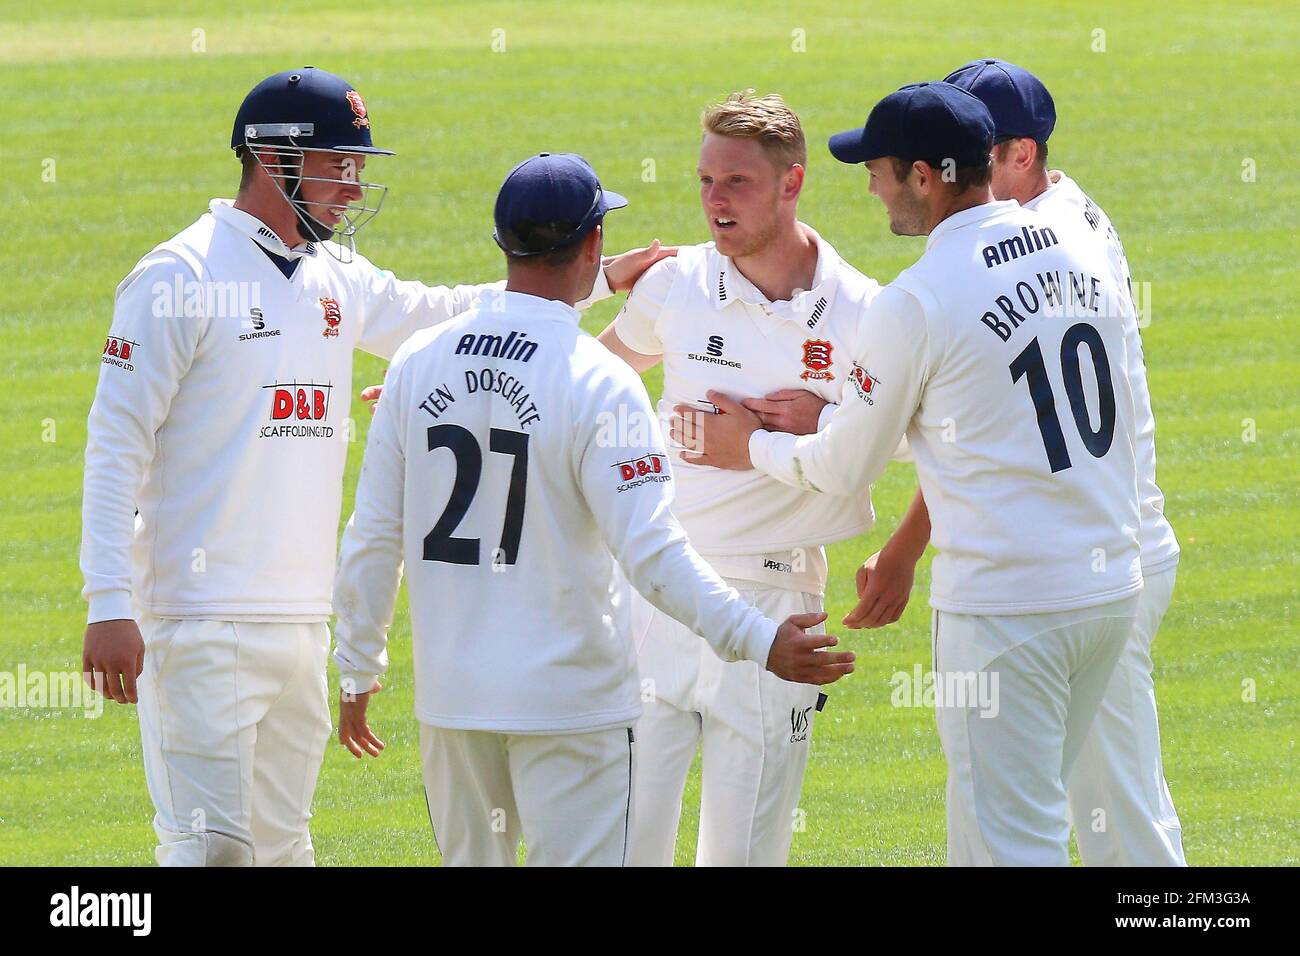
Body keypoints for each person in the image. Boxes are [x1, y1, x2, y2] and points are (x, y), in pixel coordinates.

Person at [79, 67, 670, 867]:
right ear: (272, 158)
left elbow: (443, 312)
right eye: (339, 164)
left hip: (300, 619)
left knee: (284, 847)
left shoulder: (334, 277)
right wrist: (109, 599)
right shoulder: (178, 277)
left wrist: (592, 275)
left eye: (359, 168)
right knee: (209, 849)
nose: (354, 189)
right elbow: (116, 443)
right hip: (195, 615)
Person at [330, 152, 854, 867]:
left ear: (502, 242)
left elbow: (371, 539)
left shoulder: (419, 363)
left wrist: (357, 667)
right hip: (568, 707)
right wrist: (760, 640)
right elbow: (654, 556)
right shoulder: (598, 380)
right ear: (593, 245)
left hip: (453, 703)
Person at [680, 82, 1146, 866]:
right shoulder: (1078, 244)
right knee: (1046, 821)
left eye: (880, 168)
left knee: (1005, 846)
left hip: (1010, 608)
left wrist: (747, 446)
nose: (867, 184)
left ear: (925, 177)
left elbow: (842, 467)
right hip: (1110, 590)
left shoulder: (917, 298)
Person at [596, 91, 881, 866]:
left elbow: (917, 438)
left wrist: (816, 425)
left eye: (737, 183)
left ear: (791, 183)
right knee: (621, 846)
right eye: (704, 182)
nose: (714, 203)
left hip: (777, 597)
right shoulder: (675, 283)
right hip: (658, 591)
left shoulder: (862, 312)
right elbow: (589, 376)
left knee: (745, 855)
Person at [941, 57, 1185, 866]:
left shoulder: (1054, 240)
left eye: (969, 145)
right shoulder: (1052, 223)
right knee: (1097, 807)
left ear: (1018, 153)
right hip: (1099, 546)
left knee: (1118, 817)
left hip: (1101, 557)